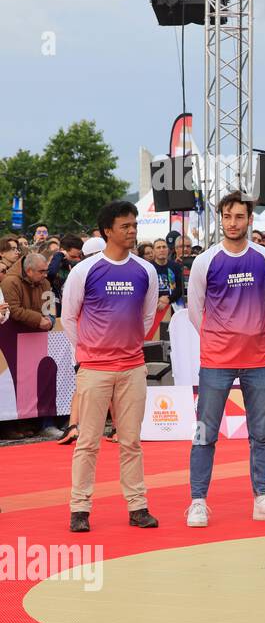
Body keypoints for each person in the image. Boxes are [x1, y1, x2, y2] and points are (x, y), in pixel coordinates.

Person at [183, 192, 265, 527]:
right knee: (205, 432)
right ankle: (198, 501)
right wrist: (220, 338)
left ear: (250, 219)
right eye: (228, 216)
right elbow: (195, 311)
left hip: (258, 358)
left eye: (239, 217)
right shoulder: (206, 261)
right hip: (216, 360)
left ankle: (262, 499)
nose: (233, 223)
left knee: (261, 433)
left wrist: (250, 332)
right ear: (221, 218)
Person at [61, 201, 160, 532]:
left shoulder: (145, 271)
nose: (132, 231)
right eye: (125, 226)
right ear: (107, 231)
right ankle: (80, 508)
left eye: (134, 225)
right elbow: (69, 318)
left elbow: (146, 319)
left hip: (133, 367)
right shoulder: (84, 271)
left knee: (131, 441)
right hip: (95, 368)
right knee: (87, 441)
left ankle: (137, 505)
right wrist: (89, 352)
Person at [2, 252, 53, 332]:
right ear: (29, 271)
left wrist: (50, 320)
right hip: (14, 333)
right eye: (41, 272)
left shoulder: (45, 283)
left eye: (46, 271)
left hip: (39, 333)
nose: (45, 275)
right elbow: (12, 309)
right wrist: (38, 319)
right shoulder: (10, 282)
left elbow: (49, 308)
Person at [152, 238, 184, 308]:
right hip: (155, 305)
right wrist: (158, 300)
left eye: (164, 247)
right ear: (153, 251)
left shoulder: (176, 266)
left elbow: (180, 287)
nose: (162, 250)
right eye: (158, 247)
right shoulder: (149, 267)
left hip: (174, 305)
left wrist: (168, 299)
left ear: (168, 250)